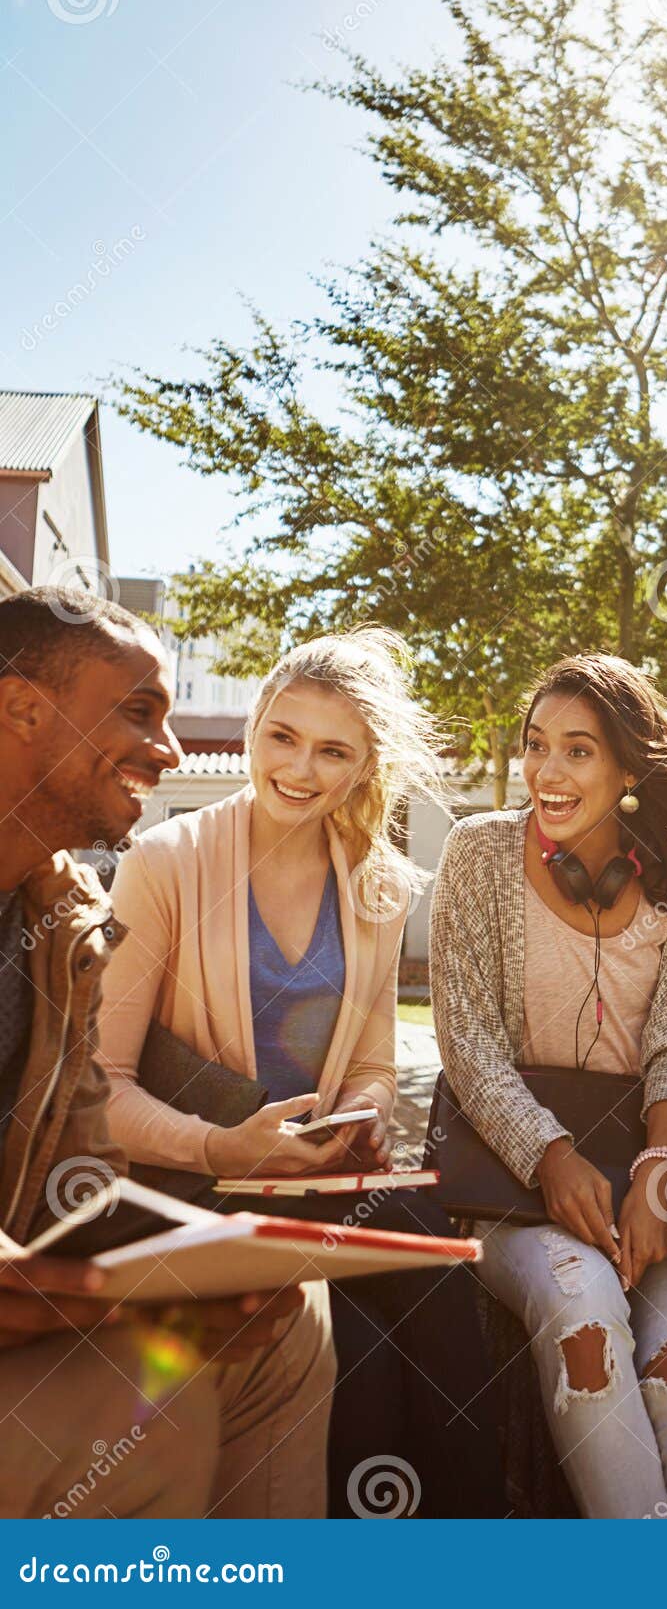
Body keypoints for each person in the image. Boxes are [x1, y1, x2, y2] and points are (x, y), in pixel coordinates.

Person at [98, 629, 506, 1517]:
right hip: (192, 1190)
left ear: (363, 768)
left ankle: (470, 1545)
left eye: (332, 751)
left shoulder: (378, 884)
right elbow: (98, 1090)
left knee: (438, 1271)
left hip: (312, 1184)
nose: (299, 767)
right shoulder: (165, 864)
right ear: (252, 728)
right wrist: (225, 1144)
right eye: (282, 735)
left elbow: (368, 1063)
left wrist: (353, 1117)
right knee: (354, 1353)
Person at [0, 587, 335, 1519]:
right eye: (139, 712)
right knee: (153, 1403)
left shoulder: (59, 920)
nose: (173, 751)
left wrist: (200, 1258)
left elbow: (81, 1172)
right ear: (22, 708)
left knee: (284, 1317)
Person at [430, 653, 667, 1519]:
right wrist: (549, 1155)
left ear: (625, 769)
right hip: (514, 1184)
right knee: (585, 1324)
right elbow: (467, 1045)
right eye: (536, 744)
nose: (547, 769)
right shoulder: (476, 855)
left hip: (652, 1180)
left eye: (578, 751)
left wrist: (656, 1172)